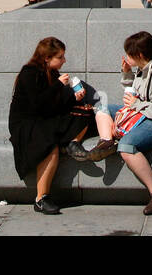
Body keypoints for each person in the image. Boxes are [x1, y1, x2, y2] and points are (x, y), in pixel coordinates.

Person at [87, 31, 152, 216]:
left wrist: (137, 105)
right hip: (146, 113)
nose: (126, 58)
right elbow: (136, 93)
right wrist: (127, 74)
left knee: (127, 146)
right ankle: (106, 142)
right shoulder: (146, 67)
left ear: (141, 56)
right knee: (102, 108)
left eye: (129, 55)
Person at [8, 36, 99, 214]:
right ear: (46, 58)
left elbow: (54, 105)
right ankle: (41, 198)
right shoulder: (30, 73)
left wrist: (74, 98)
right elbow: (37, 105)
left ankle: (72, 143)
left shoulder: (52, 73)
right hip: (26, 123)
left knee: (87, 114)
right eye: (60, 57)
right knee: (49, 146)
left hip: (45, 118)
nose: (64, 61)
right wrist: (58, 86)